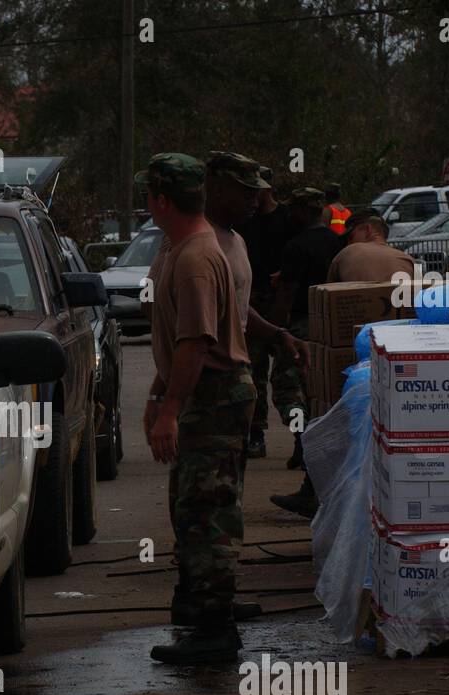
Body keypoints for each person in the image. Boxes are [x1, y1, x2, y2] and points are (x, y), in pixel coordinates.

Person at [137, 153, 254, 664]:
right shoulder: (174, 247)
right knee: (189, 506)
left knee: (208, 511)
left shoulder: (195, 258)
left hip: (216, 395)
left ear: (161, 200)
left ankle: (215, 628)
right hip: (197, 393)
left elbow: (197, 343)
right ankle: (195, 606)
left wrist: (171, 406)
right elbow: (176, 337)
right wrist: (158, 393)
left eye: (149, 194)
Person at [205, 152, 311, 463]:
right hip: (244, 314)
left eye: (257, 190)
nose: (253, 198)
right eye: (246, 191)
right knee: (253, 378)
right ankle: (255, 435)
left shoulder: (266, 227)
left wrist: (279, 328)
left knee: (286, 384)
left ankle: (295, 439)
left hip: (275, 310)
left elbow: (240, 304)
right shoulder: (215, 235)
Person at [267, 187, 341, 519]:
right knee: (321, 396)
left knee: (285, 388)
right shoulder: (336, 242)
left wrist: (276, 331)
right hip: (329, 328)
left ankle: (302, 439)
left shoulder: (295, 246)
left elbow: (287, 292)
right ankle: (317, 469)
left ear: (301, 212)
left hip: (298, 327)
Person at [234, 164, 293, 458]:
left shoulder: (285, 218)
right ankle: (256, 433)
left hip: (281, 301)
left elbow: (296, 254)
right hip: (254, 301)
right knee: (253, 371)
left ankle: (300, 438)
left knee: (287, 375)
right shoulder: (246, 220)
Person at [328, 210, 416, 283]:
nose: (348, 243)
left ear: (368, 229)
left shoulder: (347, 253)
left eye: (351, 237)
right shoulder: (408, 260)